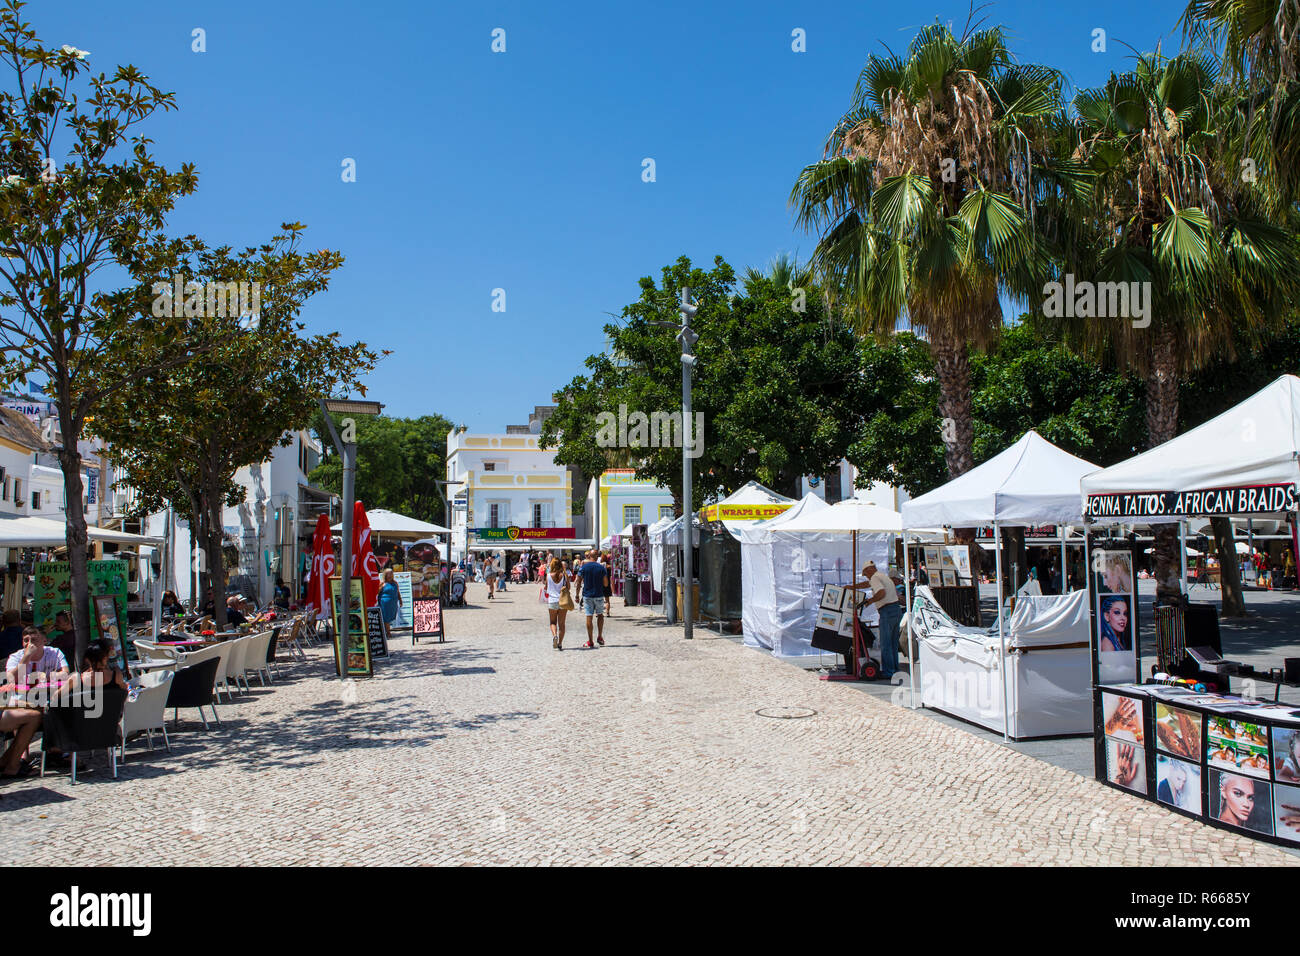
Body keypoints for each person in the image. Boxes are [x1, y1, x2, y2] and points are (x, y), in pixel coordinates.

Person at [860, 559, 901, 680]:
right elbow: (867, 584)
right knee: (893, 643)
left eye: (866, 574)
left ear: (869, 569)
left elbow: (881, 593)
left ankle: (888, 671)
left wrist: (870, 601)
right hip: (895, 610)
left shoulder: (874, 578)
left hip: (887, 611)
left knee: (886, 644)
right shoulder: (881, 576)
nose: (867, 577)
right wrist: (853, 587)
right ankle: (895, 669)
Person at [5, 626, 70, 686]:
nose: (29, 643)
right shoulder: (15, 657)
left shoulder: (55, 652)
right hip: (23, 693)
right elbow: (11, 678)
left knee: (75, 677)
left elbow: (65, 673)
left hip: (49, 690)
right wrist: (27, 656)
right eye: (26, 640)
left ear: (44, 640)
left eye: (33, 639)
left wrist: (43, 677)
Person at [575, 550, 609, 648]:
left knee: (589, 616)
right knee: (600, 615)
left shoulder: (584, 567)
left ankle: (590, 641)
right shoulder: (601, 568)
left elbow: (578, 582)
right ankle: (600, 636)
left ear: (589, 556)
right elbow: (606, 584)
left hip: (587, 595)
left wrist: (577, 595)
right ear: (597, 556)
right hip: (599, 594)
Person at [545, 557, 572, 650]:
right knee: (562, 624)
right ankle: (560, 643)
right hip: (562, 601)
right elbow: (569, 587)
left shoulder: (548, 575)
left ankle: (554, 636)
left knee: (552, 622)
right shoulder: (564, 575)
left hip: (552, 601)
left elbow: (546, 588)